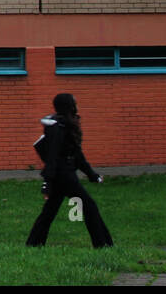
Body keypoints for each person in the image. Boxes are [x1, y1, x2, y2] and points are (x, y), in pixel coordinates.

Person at [26, 92, 113, 248]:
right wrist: (47, 182)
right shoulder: (58, 127)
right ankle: (102, 243)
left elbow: (77, 155)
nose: (76, 106)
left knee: (50, 211)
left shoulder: (66, 125)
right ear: (69, 106)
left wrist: (92, 175)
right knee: (88, 206)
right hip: (64, 175)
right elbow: (52, 155)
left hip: (64, 173)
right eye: (74, 103)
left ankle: (34, 243)